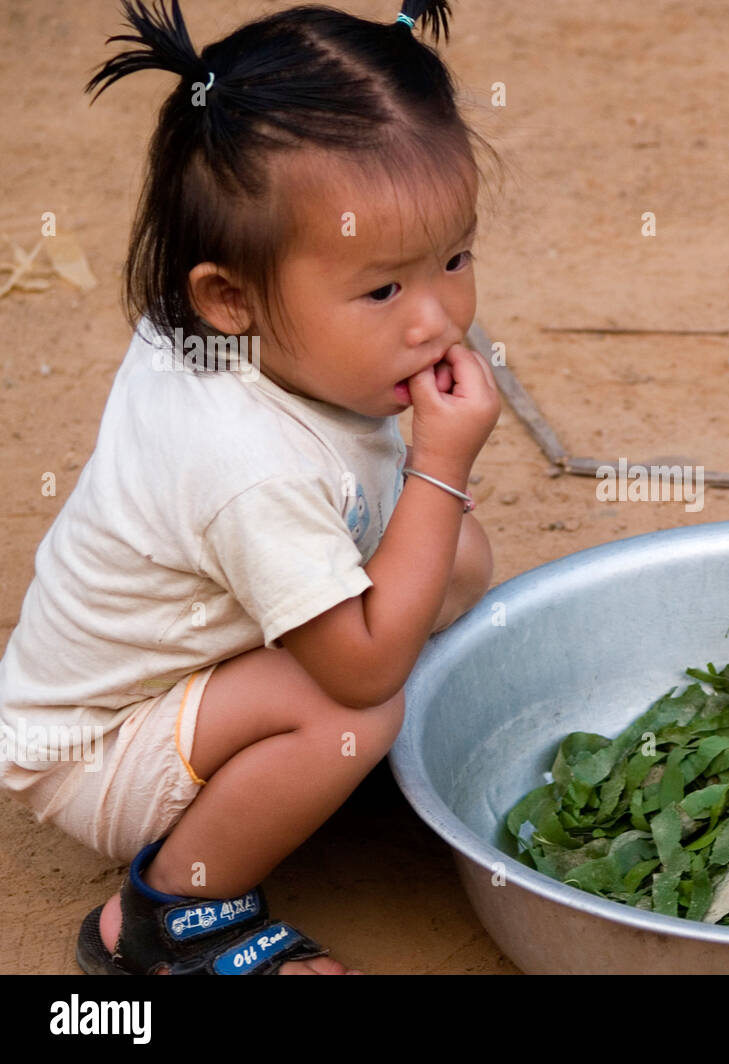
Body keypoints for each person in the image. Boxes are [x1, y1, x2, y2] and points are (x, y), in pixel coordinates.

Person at [0, 0, 502, 974]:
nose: (437, 317)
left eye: (455, 257)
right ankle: (169, 913)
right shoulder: (245, 464)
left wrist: (424, 490)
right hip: (93, 753)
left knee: (455, 559)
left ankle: (286, 783)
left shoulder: (254, 334)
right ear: (227, 297)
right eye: (384, 289)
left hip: (182, 685)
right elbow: (357, 671)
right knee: (352, 709)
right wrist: (439, 465)